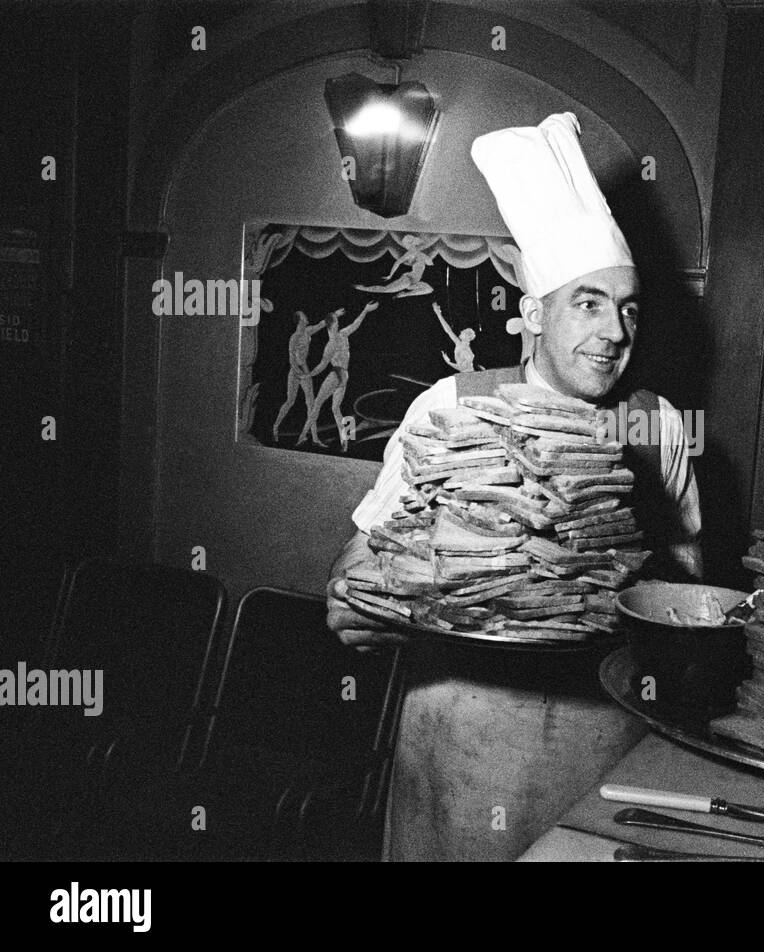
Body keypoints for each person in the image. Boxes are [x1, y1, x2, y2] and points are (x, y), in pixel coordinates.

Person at [324, 112, 702, 860]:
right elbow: (364, 565)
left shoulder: (657, 425)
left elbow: (691, 588)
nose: (615, 332)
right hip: (457, 734)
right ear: (533, 314)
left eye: (628, 308)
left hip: (605, 737)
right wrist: (351, 608)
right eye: (588, 303)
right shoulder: (450, 407)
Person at [301, 300, 378, 450]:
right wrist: (365, 310)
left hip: (337, 373)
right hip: (344, 376)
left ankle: (304, 435)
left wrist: (307, 375)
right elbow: (356, 323)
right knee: (335, 408)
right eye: (336, 322)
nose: (337, 324)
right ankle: (347, 440)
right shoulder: (343, 335)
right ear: (333, 325)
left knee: (317, 403)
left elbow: (322, 365)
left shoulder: (333, 343)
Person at [272, 311, 326, 442]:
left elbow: (321, 324)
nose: (307, 316)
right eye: (304, 315)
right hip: (296, 371)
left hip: (304, 369)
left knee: (310, 403)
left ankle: (313, 436)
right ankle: (275, 427)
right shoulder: (294, 337)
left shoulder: (307, 331)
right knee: (290, 401)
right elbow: (291, 359)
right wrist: (299, 373)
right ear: (300, 320)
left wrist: (334, 315)